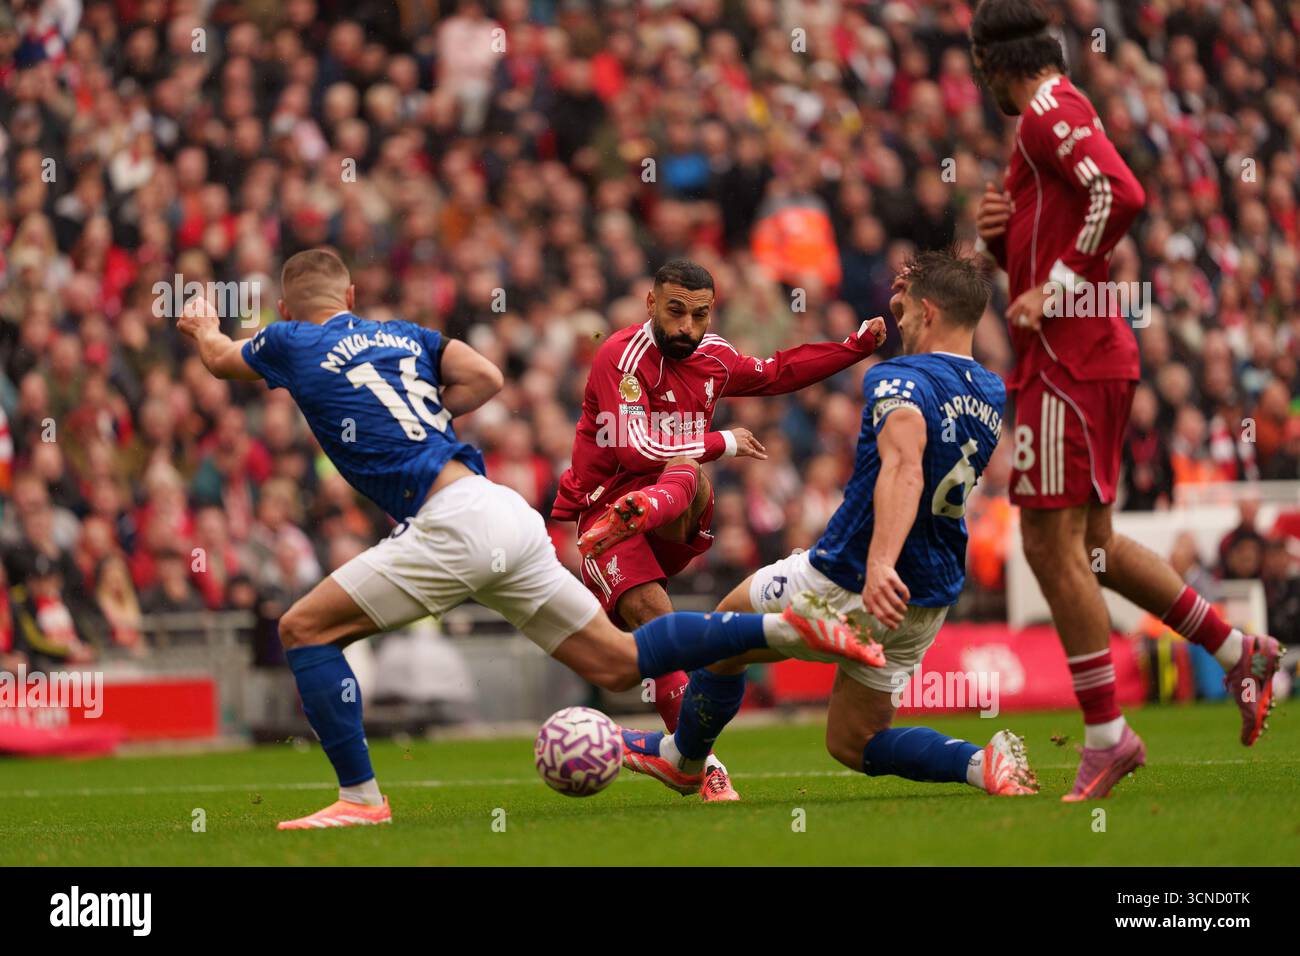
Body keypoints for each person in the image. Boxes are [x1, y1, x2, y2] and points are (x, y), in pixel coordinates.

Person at [177, 248, 885, 830]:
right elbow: (484, 376)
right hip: (503, 510)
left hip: (449, 522)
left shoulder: (291, 338)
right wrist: (425, 417)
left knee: (303, 629)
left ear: (288, 308)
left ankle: (361, 800)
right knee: (618, 663)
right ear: (354, 293)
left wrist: (202, 323)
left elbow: (218, 360)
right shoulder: (402, 334)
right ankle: (784, 628)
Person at [969, 0, 1282, 799]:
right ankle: (1235, 648)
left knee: (1047, 544)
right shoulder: (1044, 123)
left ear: (991, 65)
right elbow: (1053, 235)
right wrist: (1001, 241)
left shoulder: (1047, 108)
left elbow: (1124, 193)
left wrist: (1059, 289)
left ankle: (1108, 736)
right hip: (1081, 353)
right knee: (1094, 545)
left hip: (1072, 359)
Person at [618, 250, 1038, 798]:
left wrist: (881, 562)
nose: (899, 320)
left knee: (725, 633)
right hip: (928, 596)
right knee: (853, 741)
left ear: (929, 312)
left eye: (904, 308)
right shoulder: (990, 390)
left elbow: (904, 466)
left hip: (854, 574)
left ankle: (682, 758)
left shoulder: (899, 378)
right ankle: (984, 765)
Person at [554, 257, 887, 800]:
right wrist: (722, 441)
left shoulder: (713, 356)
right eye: (675, 312)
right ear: (650, 305)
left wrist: (854, 347)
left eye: (699, 315)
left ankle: (690, 738)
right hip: (604, 516)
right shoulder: (619, 356)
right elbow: (632, 448)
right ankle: (699, 762)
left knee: (686, 473)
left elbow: (778, 371)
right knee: (657, 625)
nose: (686, 327)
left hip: (674, 512)